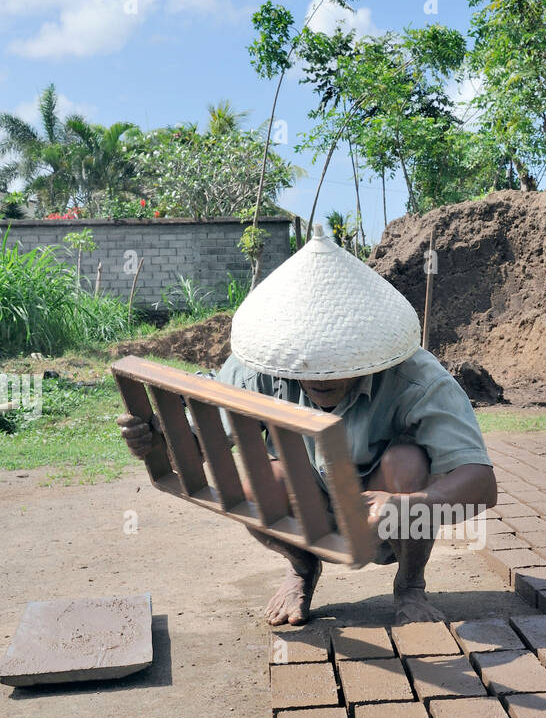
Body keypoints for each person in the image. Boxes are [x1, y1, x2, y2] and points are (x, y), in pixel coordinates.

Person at [117, 225, 497, 628]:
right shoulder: (256, 369)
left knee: (407, 464)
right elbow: (200, 444)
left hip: (385, 515)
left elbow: (479, 484)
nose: (320, 378)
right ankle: (301, 567)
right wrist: (160, 441)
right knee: (255, 482)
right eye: (307, 363)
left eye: (336, 363)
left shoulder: (418, 378)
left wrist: (412, 505)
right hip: (305, 500)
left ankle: (410, 585)